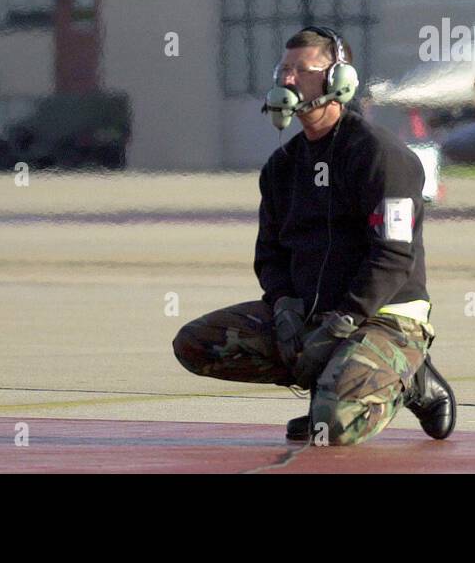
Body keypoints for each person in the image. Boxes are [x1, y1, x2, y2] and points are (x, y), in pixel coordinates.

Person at [172, 26, 455, 445]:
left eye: (301, 71)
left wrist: (342, 321)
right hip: (310, 316)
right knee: (196, 343)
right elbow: (270, 255)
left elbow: (393, 257)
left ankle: (407, 382)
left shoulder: (382, 157)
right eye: (283, 70)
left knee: (335, 427)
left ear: (338, 80)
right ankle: (331, 382)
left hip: (384, 317)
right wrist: (284, 306)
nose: (287, 80)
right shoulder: (282, 167)